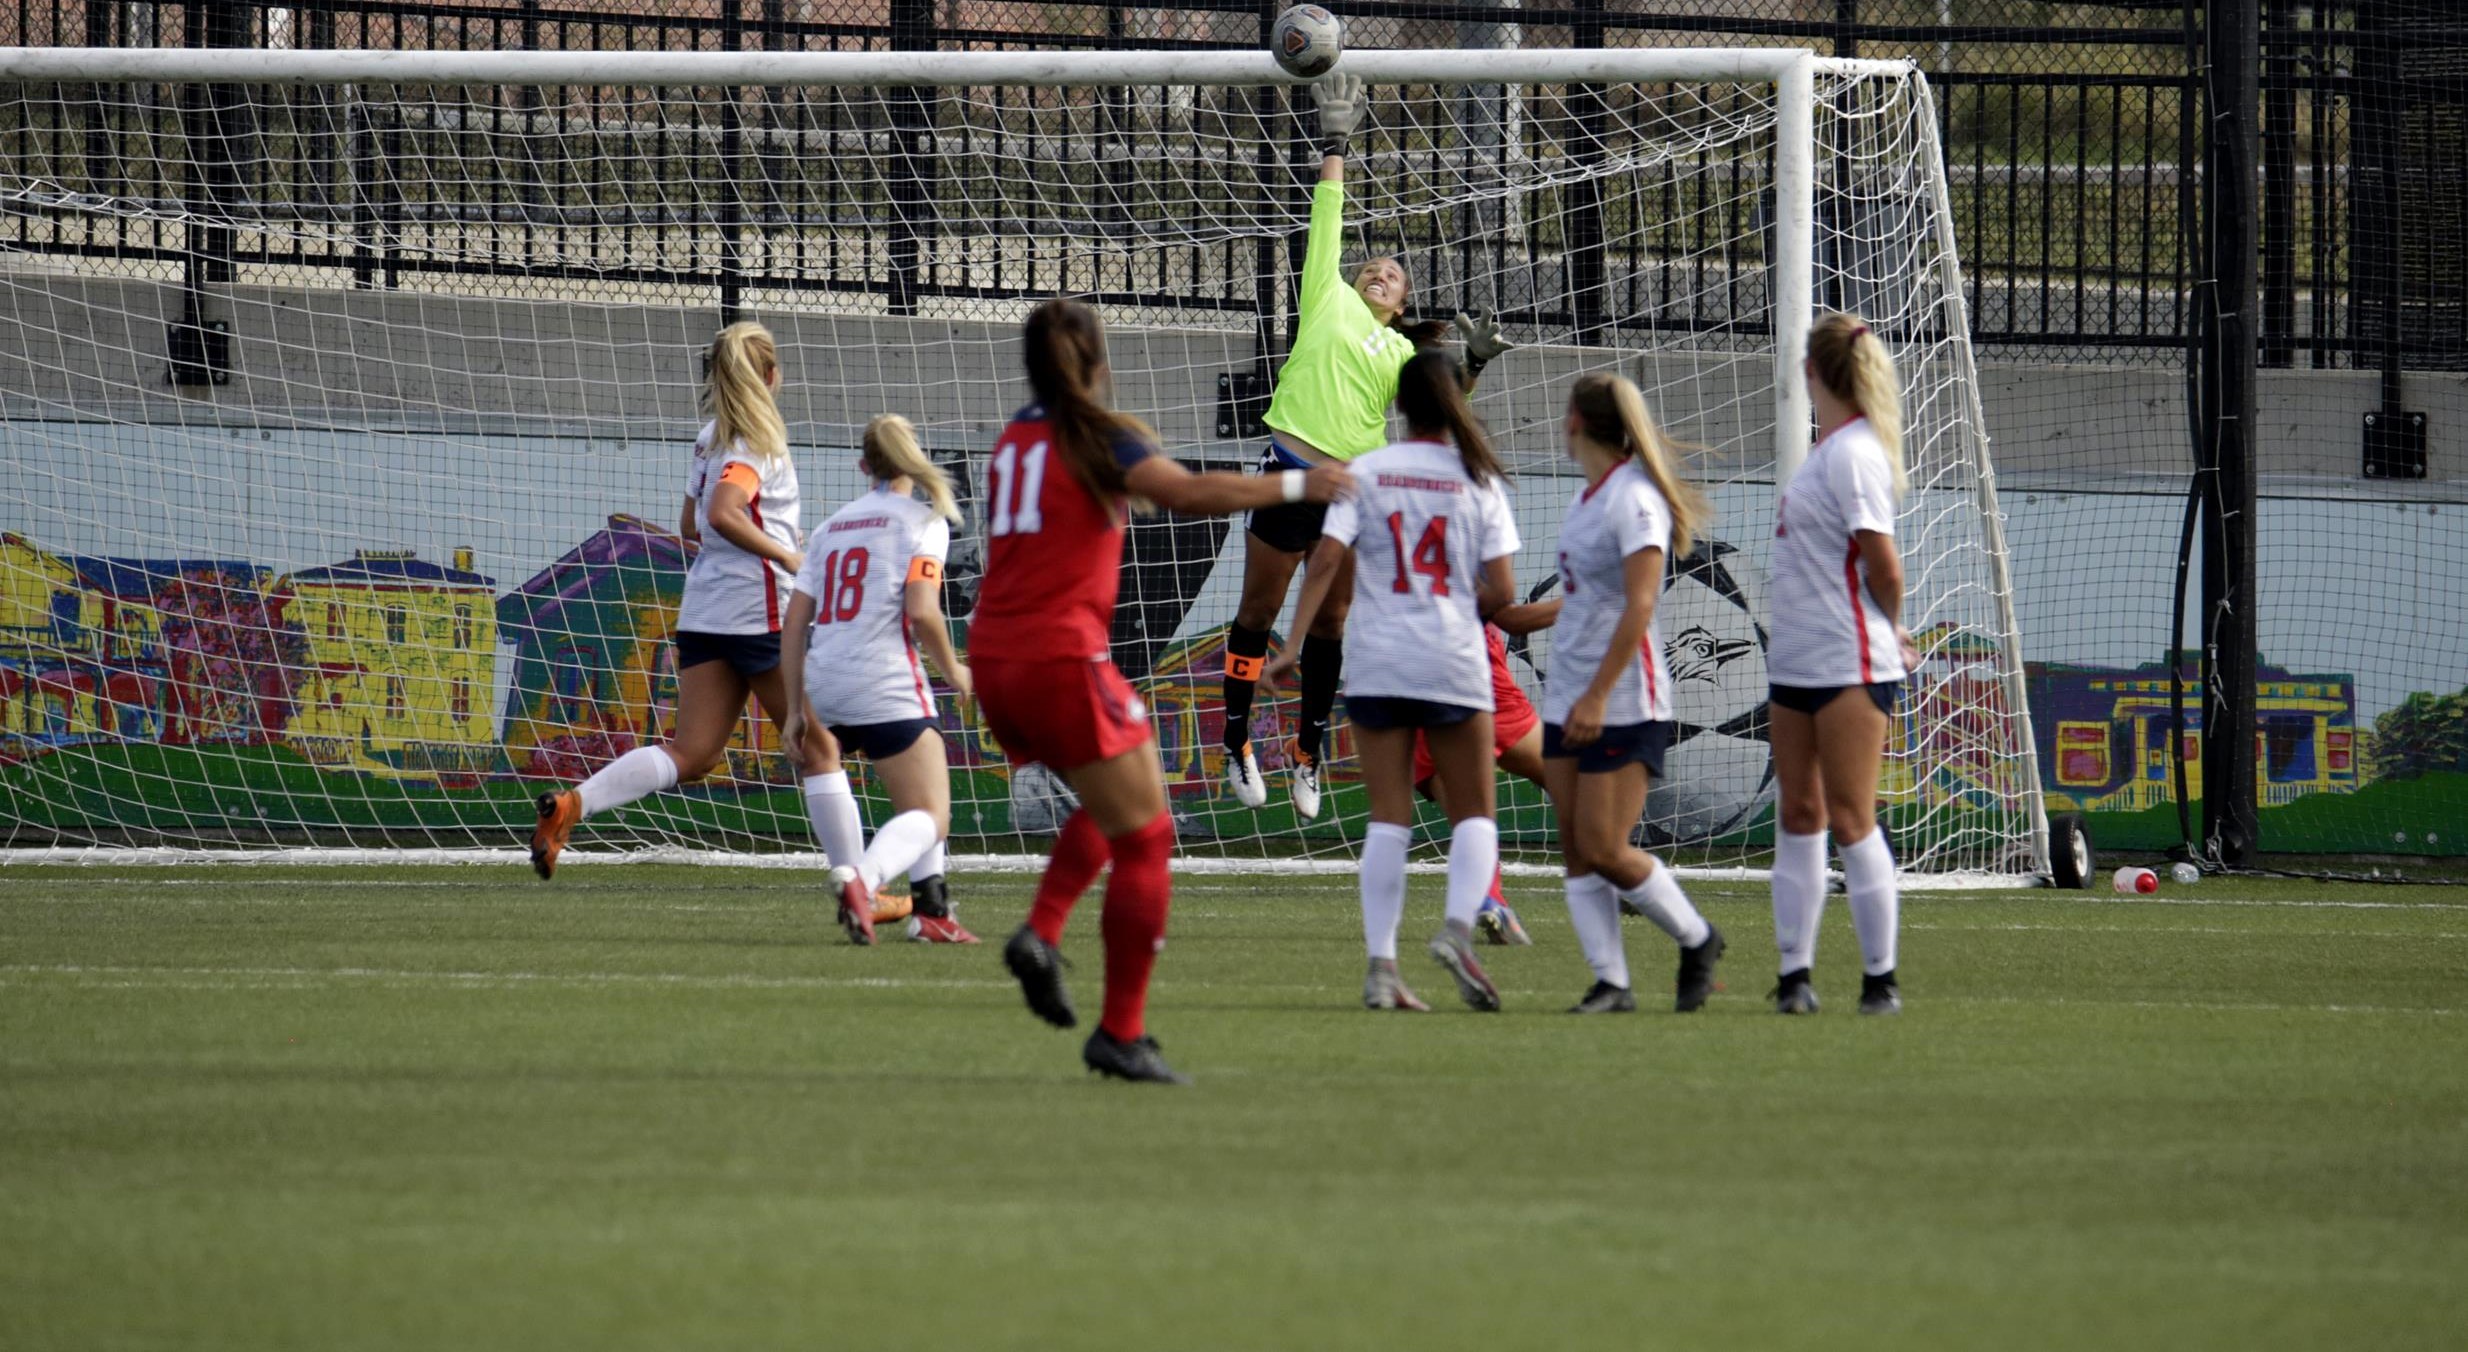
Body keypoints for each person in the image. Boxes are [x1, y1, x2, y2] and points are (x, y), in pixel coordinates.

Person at [978, 298, 1349, 1082]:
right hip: (1059, 659)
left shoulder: (1015, 438)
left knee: (1127, 790)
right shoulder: (1099, 437)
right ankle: (1119, 1031)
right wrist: (1298, 486)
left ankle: (1043, 930)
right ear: (1097, 361)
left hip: (997, 660)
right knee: (1147, 837)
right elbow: (1183, 493)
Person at [1218, 71, 1512, 822]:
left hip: (1351, 492)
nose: (1380, 272)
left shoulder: (1402, 353)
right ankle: (1235, 738)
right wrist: (1336, 143)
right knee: (1258, 611)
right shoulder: (1328, 299)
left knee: (1331, 622)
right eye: (1372, 267)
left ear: (1403, 302)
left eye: (1394, 274)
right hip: (1289, 474)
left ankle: (1308, 751)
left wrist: (1474, 364)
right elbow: (1329, 215)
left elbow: (1440, 405)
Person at [529, 322, 850, 880]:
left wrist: (766, 534)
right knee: (820, 749)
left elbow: (691, 524)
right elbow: (723, 513)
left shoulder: (711, 437)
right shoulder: (757, 440)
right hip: (759, 614)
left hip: (705, 611)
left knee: (694, 754)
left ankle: (572, 805)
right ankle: (858, 884)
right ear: (771, 376)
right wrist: (787, 553)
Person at [1266, 351, 1519, 1013]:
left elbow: (1326, 559)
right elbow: (1502, 592)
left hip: (1379, 661)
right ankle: (1457, 931)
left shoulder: (1367, 471)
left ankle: (1382, 967)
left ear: (1398, 406)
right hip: (1452, 661)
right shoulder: (1479, 479)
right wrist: (1454, 607)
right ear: (1455, 404)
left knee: (1388, 820)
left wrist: (1291, 645)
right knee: (1476, 815)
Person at [1538, 372, 1727, 1014]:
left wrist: (1596, 696)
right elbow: (1588, 601)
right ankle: (1611, 982)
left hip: (1621, 701)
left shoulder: (1634, 498)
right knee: (1575, 850)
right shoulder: (1586, 498)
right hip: (1568, 697)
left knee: (1603, 847)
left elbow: (1641, 604)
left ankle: (1698, 938)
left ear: (1575, 422)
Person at [1766, 313, 1917, 1016]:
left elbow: (1884, 565)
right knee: (1799, 813)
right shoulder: (1827, 452)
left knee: (1852, 817)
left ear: (1811, 372)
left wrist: (1894, 628)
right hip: (1796, 662)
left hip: (1849, 662)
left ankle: (1879, 981)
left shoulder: (1855, 451)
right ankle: (1794, 977)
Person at [779, 414, 976, 946]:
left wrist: (795, 708)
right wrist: (954, 668)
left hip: (825, 681)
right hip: (883, 680)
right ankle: (863, 885)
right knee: (930, 812)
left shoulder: (830, 528)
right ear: (912, 460)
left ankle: (932, 914)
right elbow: (922, 611)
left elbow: (794, 623)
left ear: (863, 466)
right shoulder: (923, 520)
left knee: (895, 784)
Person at [1414, 613, 1560, 947]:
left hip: (1413, 680)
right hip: (1477, 671)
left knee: (1468, 820)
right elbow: (1507, 612)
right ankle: (1614, 869)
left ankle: (1490, 900)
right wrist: (1576, 597)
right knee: (1570, 781)